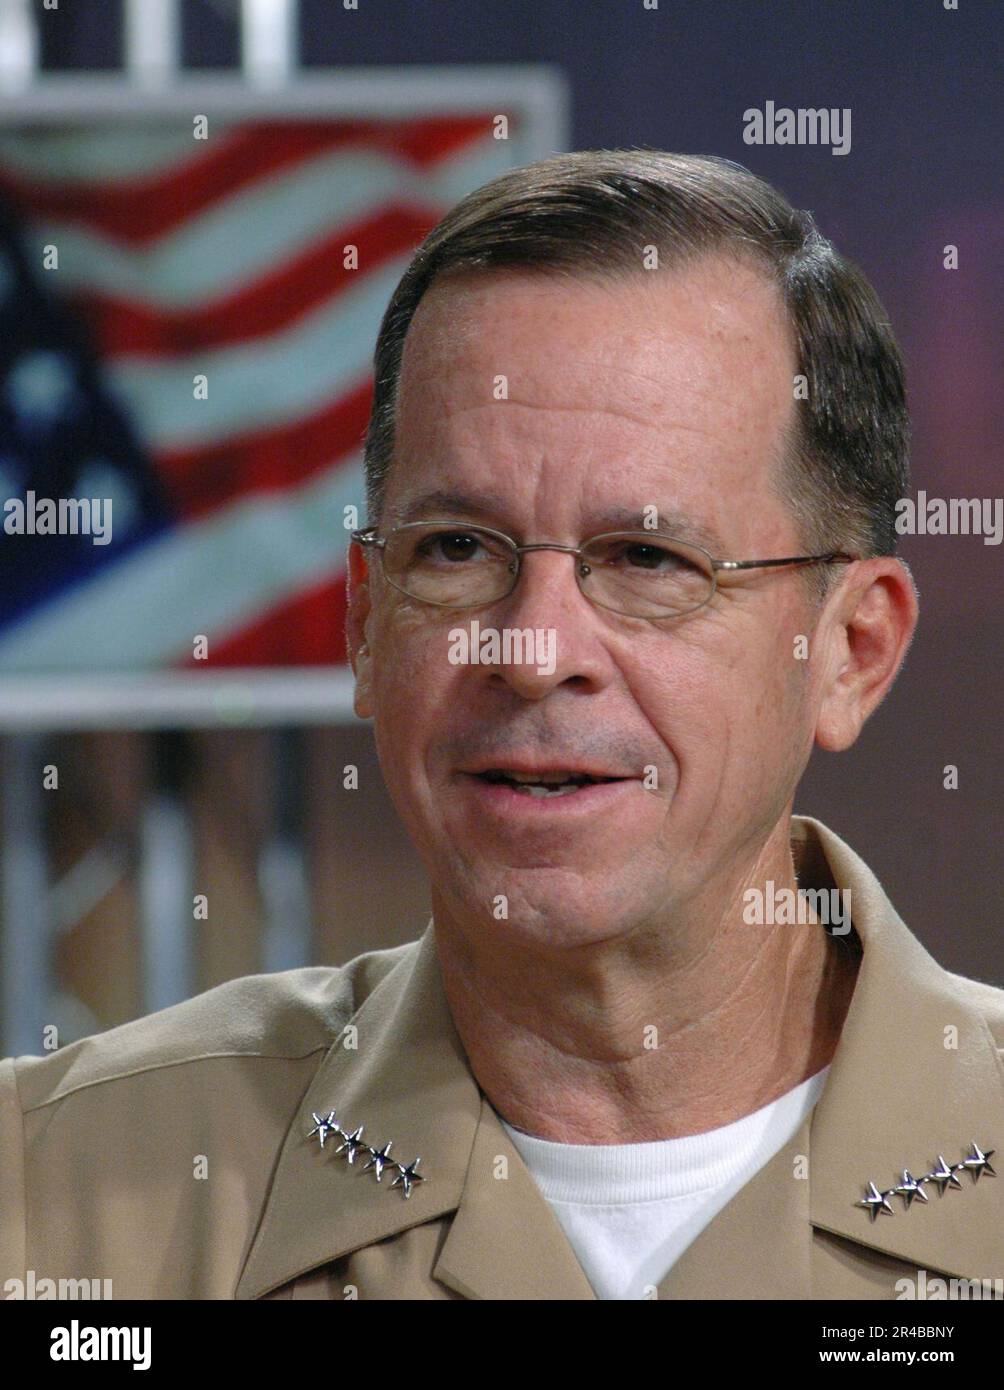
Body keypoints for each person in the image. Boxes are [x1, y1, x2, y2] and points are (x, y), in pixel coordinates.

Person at [2, 150, 1001, 1301]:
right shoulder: (49, 1196)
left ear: (849, 650)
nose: (532, 651)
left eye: (645, 559)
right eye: (457, 549)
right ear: (367, 625)